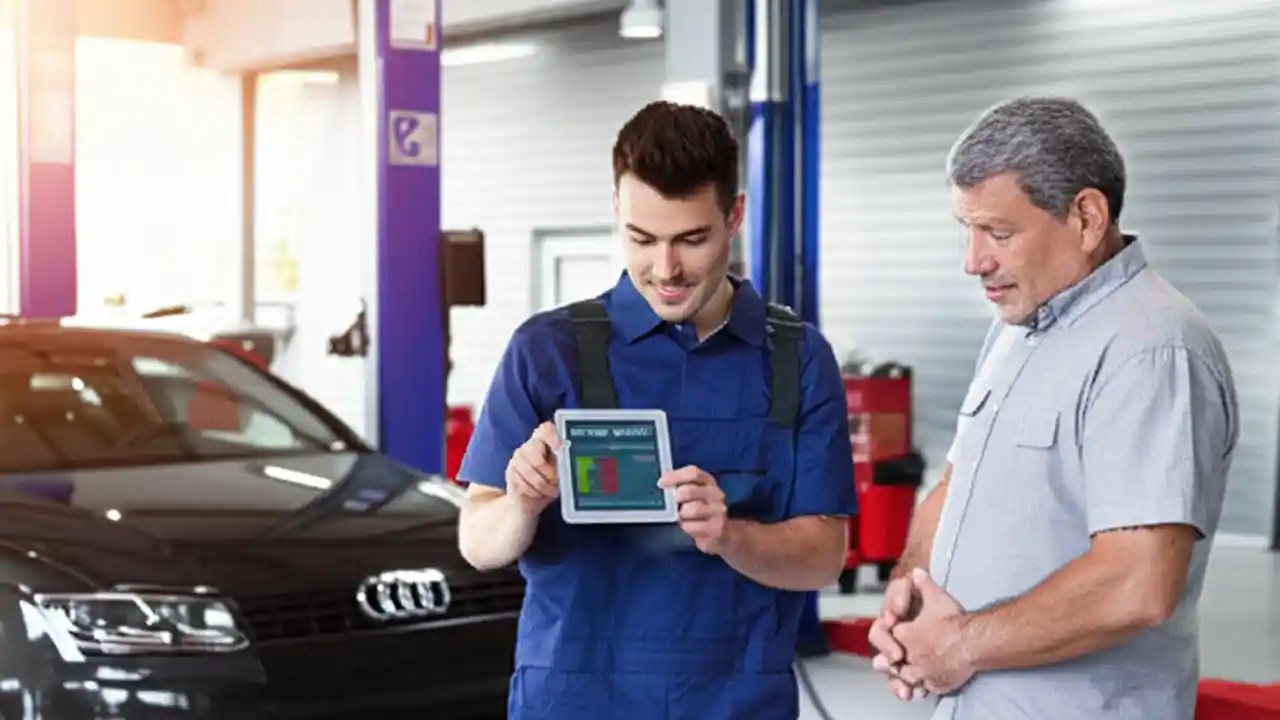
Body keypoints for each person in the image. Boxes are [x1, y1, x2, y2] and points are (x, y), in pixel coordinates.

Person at [456, 100, 857, 719]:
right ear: (618, 212)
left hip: (735, 703)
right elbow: (479, 542)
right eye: (642, 239)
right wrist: (522, 502)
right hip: (574, 700)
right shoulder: (547, 352)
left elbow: (824, 555)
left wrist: (730, 536)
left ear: (735, 216)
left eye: (691, 240)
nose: (665, 270)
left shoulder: (797, 359)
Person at [866, 95, 1240, 719]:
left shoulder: (1152, 349)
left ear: (1087, 217)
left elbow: (1137, 583)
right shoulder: (1016, 328)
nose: (973, 261)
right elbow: (960, 480)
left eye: (1000, 233)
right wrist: (905, 596)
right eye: (969, 230)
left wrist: (958, 645)